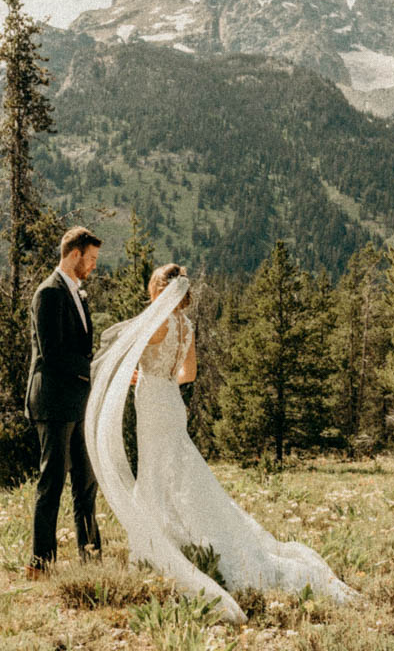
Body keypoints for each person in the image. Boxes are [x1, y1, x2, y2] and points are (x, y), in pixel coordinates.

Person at [85, 263, 356, 623]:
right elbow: (189, 374)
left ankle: (157, 549)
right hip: (171, 402)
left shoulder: (157, 322)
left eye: (152, 288)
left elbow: (115, 341)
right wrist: (159, 375)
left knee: (154, 471)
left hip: (152, 403)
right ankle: (179, 542)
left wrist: (143, 374)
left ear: (159, 290)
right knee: (177, 470)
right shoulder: (186, 326)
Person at [25, 226, 103, 578]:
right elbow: (52, 353)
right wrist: (94, 367)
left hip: (78, 402)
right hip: (53, 402)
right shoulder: (49, 293)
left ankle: (91, 559)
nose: (93, 266)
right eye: (91, 259)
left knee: (86, 483)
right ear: (74, 255)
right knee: (52, 482)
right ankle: (41, 563)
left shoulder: (79, 295)